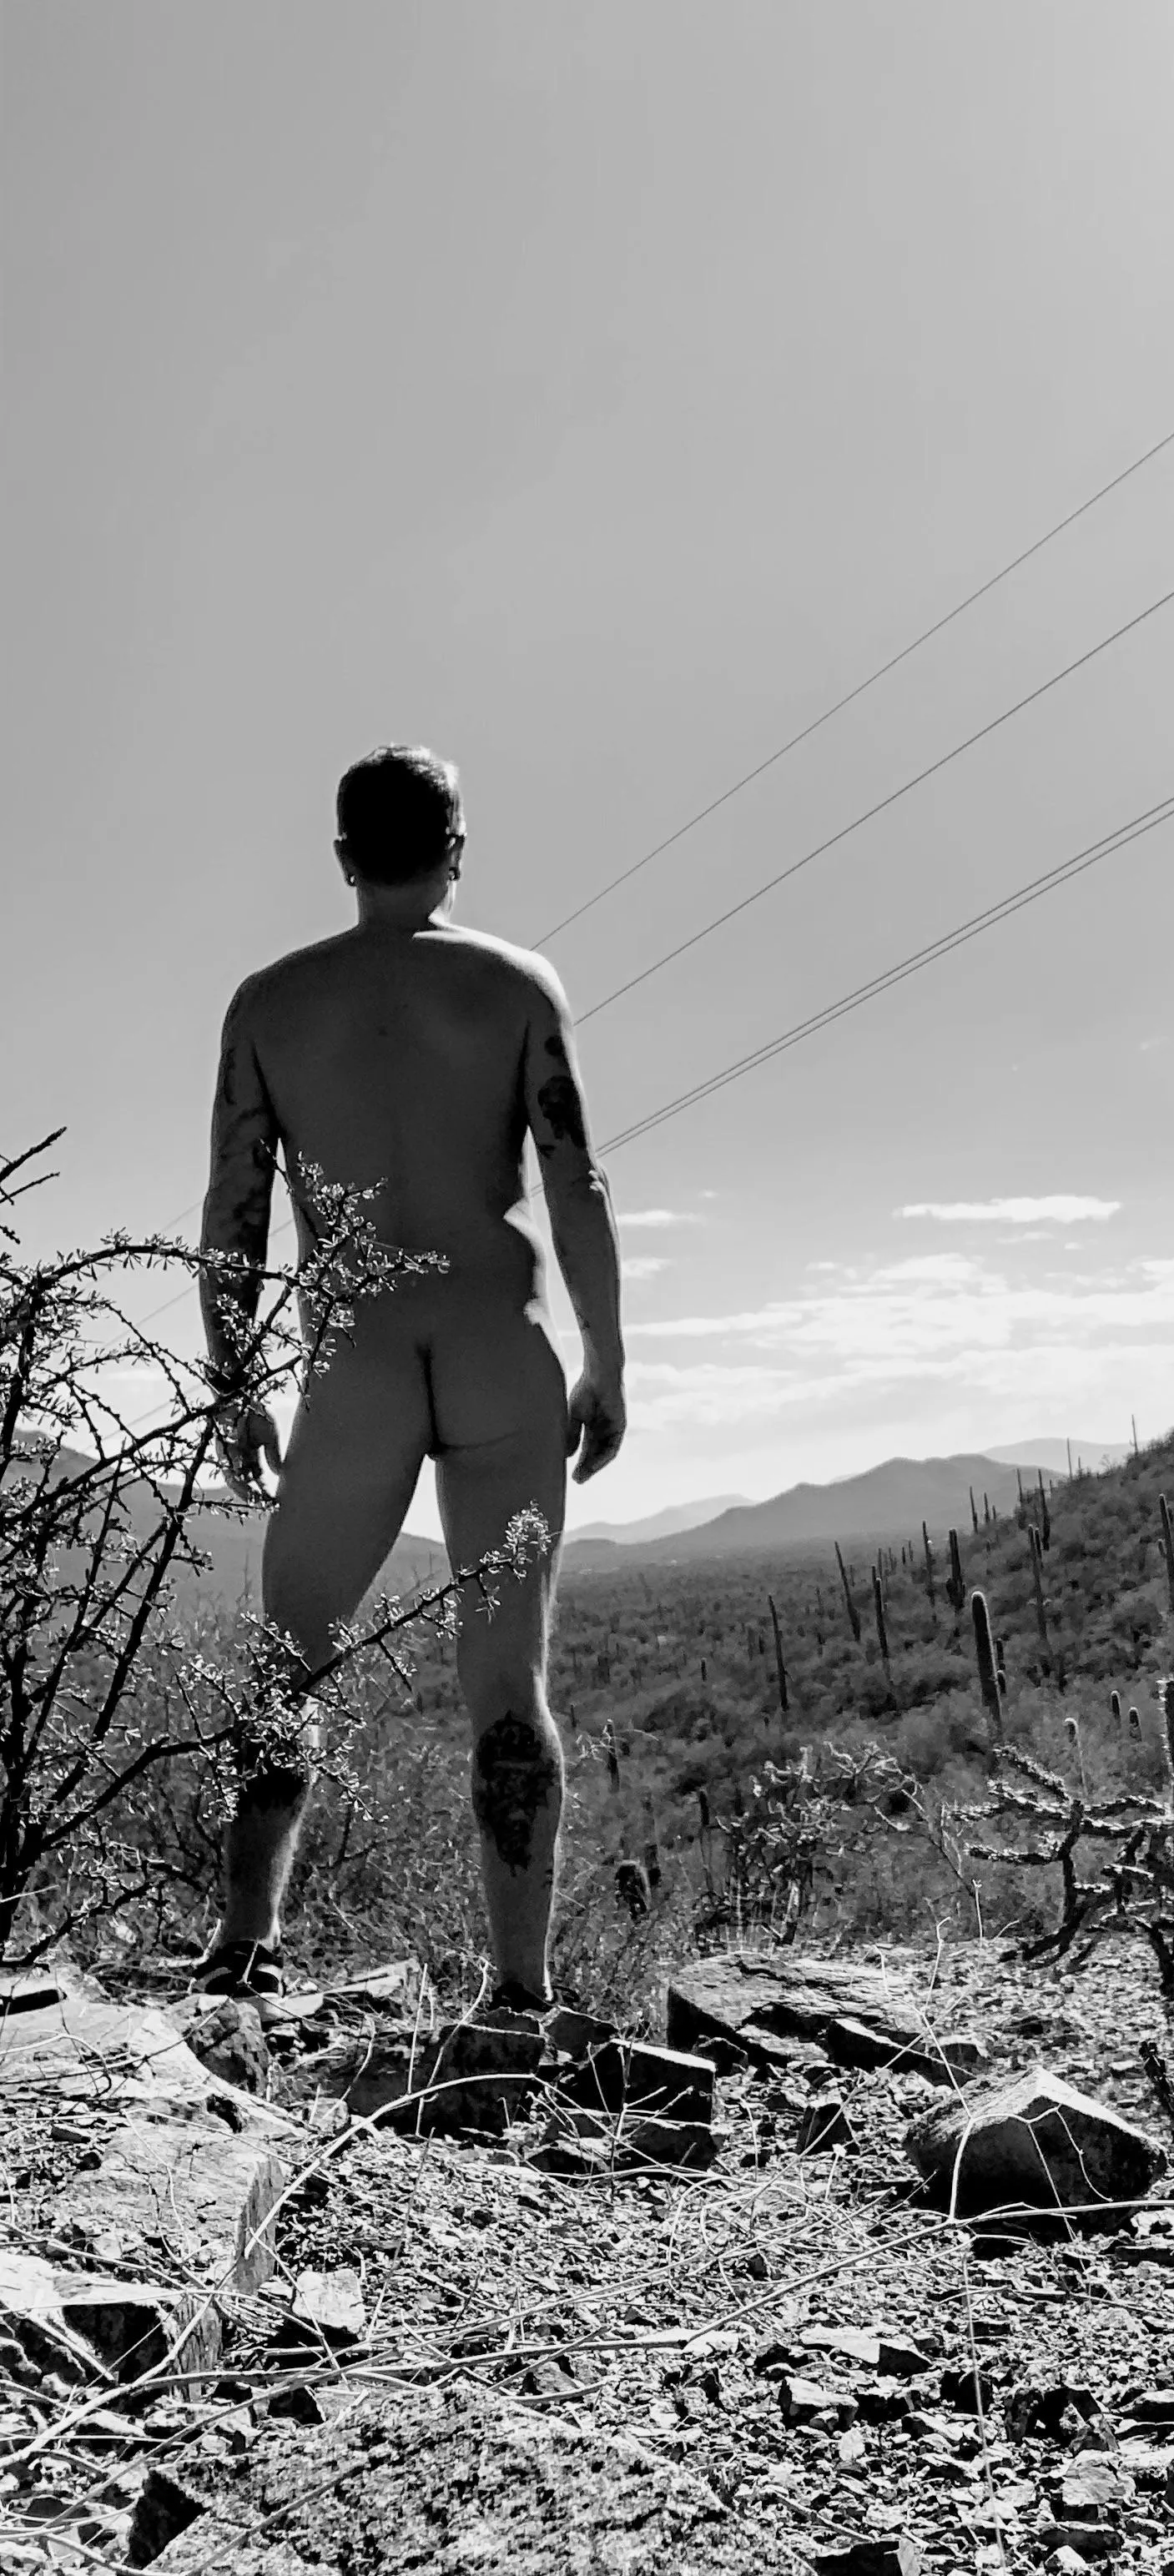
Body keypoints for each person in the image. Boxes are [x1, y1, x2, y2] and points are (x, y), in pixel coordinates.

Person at [194, 744, 625, 2010]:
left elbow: (233, 1206)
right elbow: (575, 1180)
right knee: (509, 1683)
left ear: (342, 858)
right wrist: (607, 1358)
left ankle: (245, 1947)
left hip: (358, 1357)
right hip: (498, 1348)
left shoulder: (270, 1005)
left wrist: (234, 1379)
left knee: (292, 1662)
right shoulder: (515, 985)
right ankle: (519, 1991)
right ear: (457, 850)